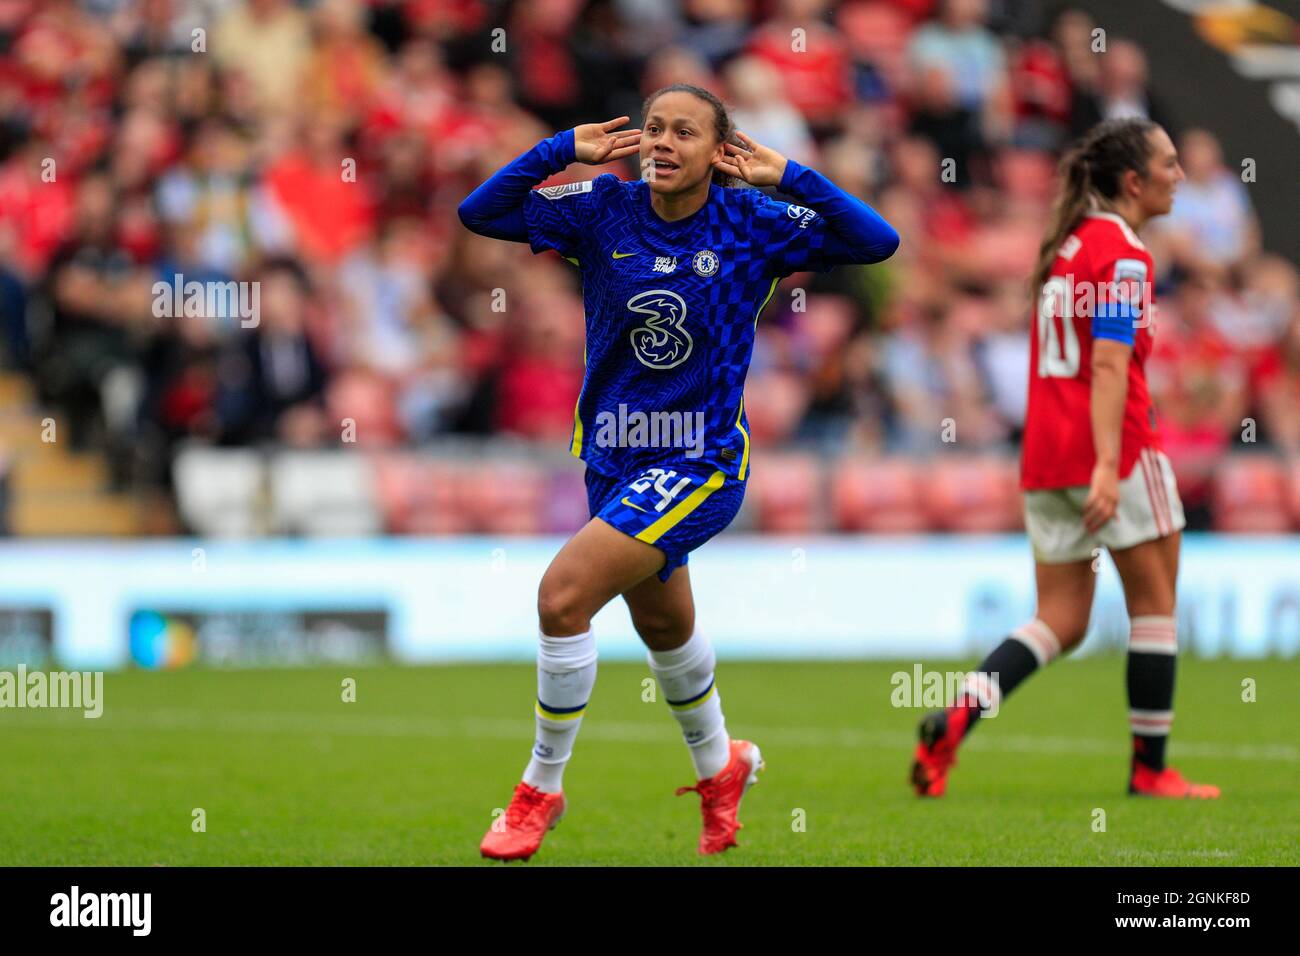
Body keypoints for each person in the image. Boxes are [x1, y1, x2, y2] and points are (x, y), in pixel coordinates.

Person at [459, 83, 898, 859]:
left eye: (684, 133)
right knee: (663, 626)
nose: (662, 142)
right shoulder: (602, 207)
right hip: (610, 454)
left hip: (699, 460)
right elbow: (481, 214)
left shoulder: (752, 221)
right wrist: (560, 151)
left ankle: (540, 789)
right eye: (655, 128)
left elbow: (875, 241)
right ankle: (720, 764)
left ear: (717, 151)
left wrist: (791, 176)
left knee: (562, 600)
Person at [910, 118, 1220, 800]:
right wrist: (1110, 465)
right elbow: (1109, 365)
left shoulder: (1069, 246)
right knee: (1155, 606)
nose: (1180, 174)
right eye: (1170, 164)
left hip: (1046, 456)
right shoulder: (1127, 255)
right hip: (1118, 452)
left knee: (1061, 619)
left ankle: (958, 717)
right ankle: (1150, 770)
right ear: (1134, 181)